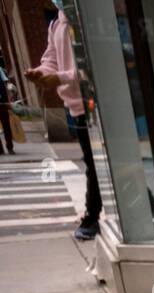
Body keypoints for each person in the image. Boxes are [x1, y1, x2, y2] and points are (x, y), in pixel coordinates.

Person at [25, 0, 100, 239]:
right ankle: (147, 200)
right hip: (75, 105)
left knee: (94, 162)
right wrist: (42, 72)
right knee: (98, 161)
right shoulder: (57, 22)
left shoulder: (84, 18)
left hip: (96, 103)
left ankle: (92, 216)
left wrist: (59, 78)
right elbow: (51, 58)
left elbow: (95, 64)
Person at [0, 60, 15, 154]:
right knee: (6, 125)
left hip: (2, 102)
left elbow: (5, 85)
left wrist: (8, 100)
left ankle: (9, 146)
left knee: (6, 125)